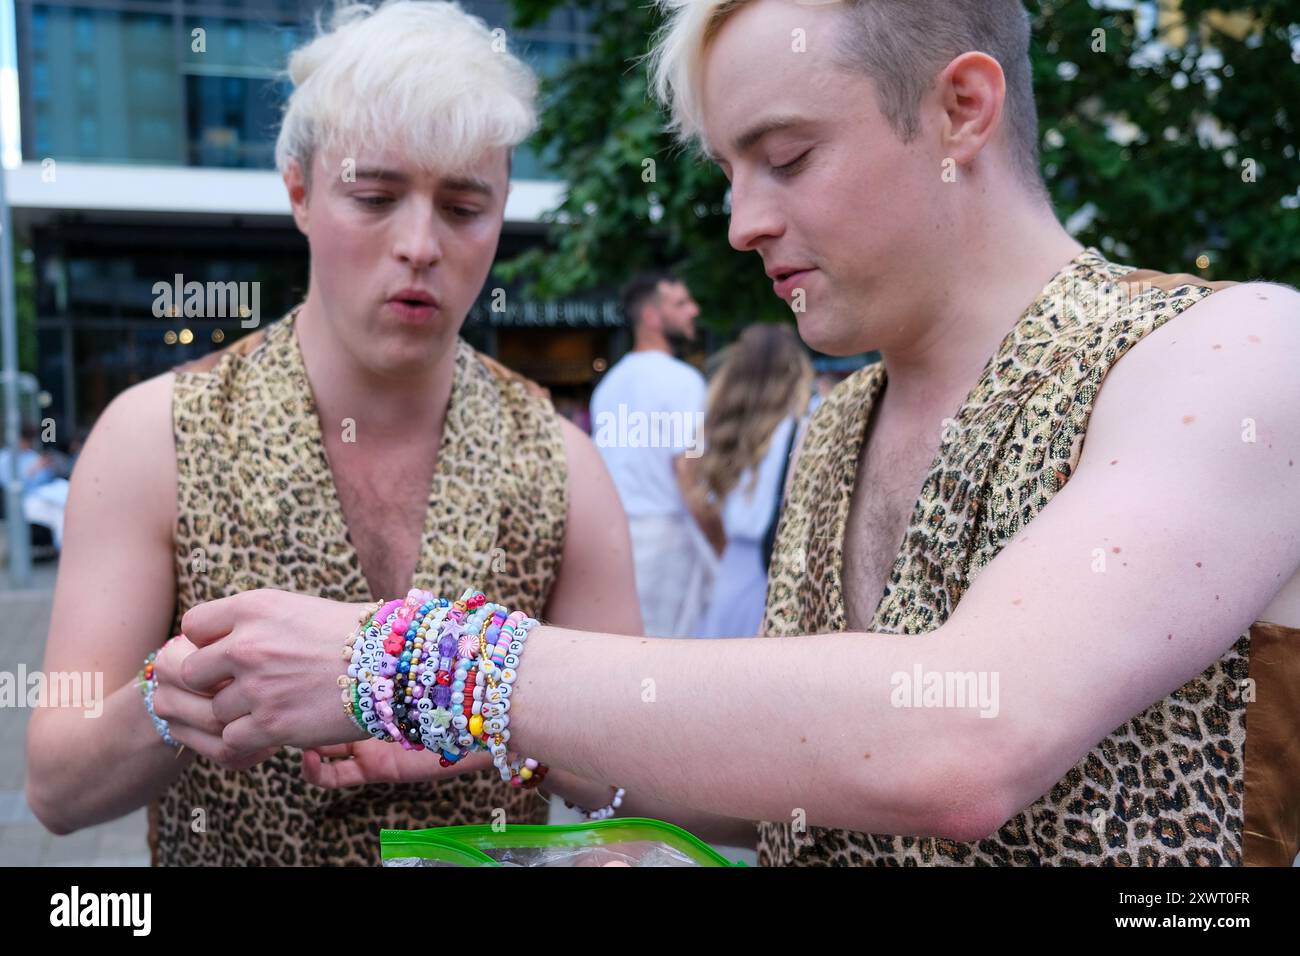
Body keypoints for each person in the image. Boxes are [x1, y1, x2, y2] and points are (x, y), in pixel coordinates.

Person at [163, 0, 1300, 866]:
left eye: (787, 156)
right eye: (727, 169)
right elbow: (791, 783)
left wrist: (413, 659)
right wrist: (524, 743)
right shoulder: (837, 419)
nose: (743, 221)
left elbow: (961, 737)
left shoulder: (1237, 351)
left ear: (961, 109)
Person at [25, 0, 757, 865]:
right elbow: (58, 787)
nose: (419, 244)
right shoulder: (156, 437)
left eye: (463, 207)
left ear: (503, 209)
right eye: (374, 196)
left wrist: (526, 749)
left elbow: (627, 780)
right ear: (297, 188)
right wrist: (174, 698)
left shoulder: (561, 463)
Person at [589, 272, 719, 636]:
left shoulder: (609, 385)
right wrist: (722, 544)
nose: (693, 310)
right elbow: (689, 472)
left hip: (612, 539)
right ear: (651, 317)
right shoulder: (683, 381)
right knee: (667, 657)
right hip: (666, 542)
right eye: (680, 303)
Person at [688, 323, 811, 638]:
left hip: (731, 576)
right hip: (773, 578)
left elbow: (699, 503)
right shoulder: (802, 432)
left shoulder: (724, 430)